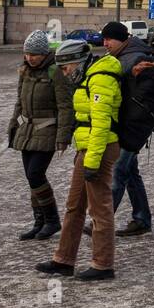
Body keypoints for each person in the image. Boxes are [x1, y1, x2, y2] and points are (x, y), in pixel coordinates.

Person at [36, 39, 121, 282]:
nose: (65, 73)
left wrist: (92, 162)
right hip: (88, 148)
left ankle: (103, 264)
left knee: (99, 209)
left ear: (79, 62)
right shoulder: (87, 78)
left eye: (66, 68)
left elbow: (101, 125)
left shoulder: (100, 78)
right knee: (74, 206)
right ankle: (63, 260)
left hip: (100, 149)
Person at [7, 29, 74, 241]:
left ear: (44, 54)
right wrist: (13, 126)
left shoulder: (55, 73)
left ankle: (52, 220)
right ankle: (39, 222)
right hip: (26, 131)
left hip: (47, 131)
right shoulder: (25, 71)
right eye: (27, 54)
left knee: (36, 174)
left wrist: (63, 137)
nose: (30, 58)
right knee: (31, 177)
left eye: (34, 54)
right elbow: (20, 102)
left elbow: (65, 107)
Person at [93, 21, 153, 238]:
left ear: (122, 39)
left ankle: (100, 221)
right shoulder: (125, 55)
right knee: (131, 173)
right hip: (129, 124)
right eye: (104, 39)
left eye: (109, 39)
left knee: (118, 172)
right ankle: (142, 219)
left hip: (132, 126)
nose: (105, 43)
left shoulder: (131, 59)